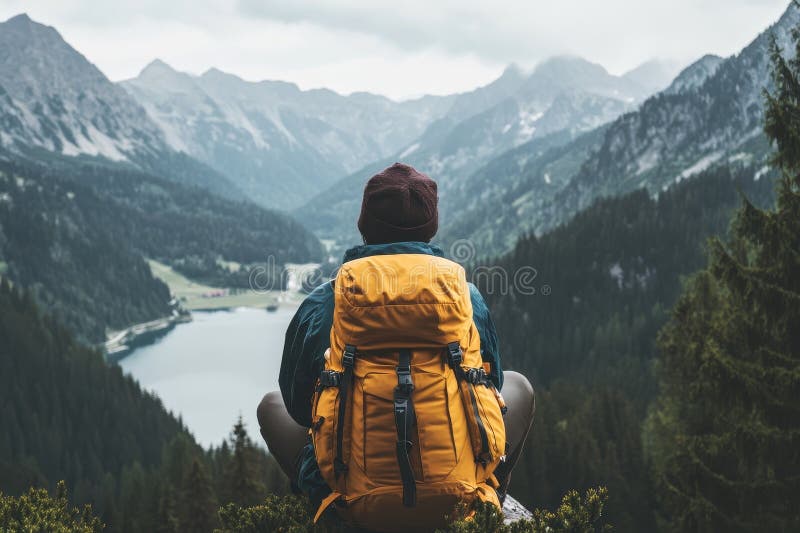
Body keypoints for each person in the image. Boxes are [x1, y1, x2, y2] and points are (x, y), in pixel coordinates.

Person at [258, 162, 535, 523]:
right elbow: (490, 387)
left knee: (271, 406)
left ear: (364, 225)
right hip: (454, 498)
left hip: (354, 505)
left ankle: (332, 508)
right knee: (519, 387)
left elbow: (297, 407)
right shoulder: (466, 299)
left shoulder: (326, 301)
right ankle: (487, 497)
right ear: (430, 229)